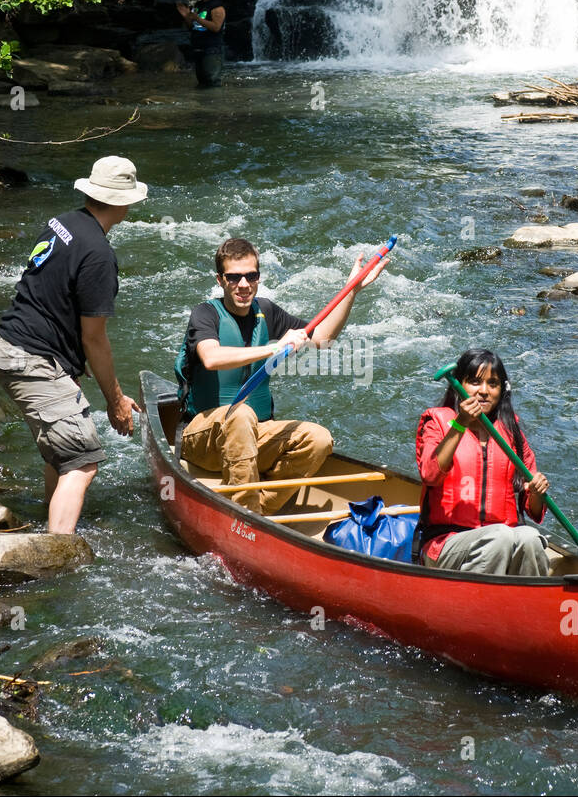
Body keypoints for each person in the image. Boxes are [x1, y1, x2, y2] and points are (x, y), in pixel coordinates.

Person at [0, 155, 147, 534]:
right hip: (32, 361)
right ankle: (57, 550)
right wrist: (115, 400)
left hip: (12, 347)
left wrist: (72, 370)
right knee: (80, 461)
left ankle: (51, 517)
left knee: (63, 450)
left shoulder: (62, 223)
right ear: (125, 203)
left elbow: (52, 297)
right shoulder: (99, 256)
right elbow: (94, 337)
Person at [176, 237, 388, 515]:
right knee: (240, 414)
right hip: (203, 439)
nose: (243, 284)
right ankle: (245, 514)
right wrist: (274, 348)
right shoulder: (205, 314)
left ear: (258, 277)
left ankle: (257, 511)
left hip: (253, 435)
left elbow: (323, 338)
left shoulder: (267, 311)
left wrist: (351, 291)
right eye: (234, 277)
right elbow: (212, 358)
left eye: (251, 276)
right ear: (220, 280)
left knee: (318, 439)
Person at [414, 349, 552, 576]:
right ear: (459, 385)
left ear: (501, 391)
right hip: (445, 544)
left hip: (502, 538)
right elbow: (430, 474)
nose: (484, 391)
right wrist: (461, 424)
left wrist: (537, 492)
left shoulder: (511, 432)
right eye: (475, 382)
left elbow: (533, 510)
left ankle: (526, 605)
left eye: (493, 384)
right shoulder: (437, 422)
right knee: (499, 536)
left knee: (530, 538)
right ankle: (475, 604)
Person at [176, 0, 226, 88]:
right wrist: (186, 15)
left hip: (212, 49)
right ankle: (202, 105)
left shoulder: (217, 6)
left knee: (212, 83)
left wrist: (197, 18)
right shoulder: (199, 5)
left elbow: (216, 27)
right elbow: (192, 26)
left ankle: (215, 104)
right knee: (202, 83)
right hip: (198, 48)